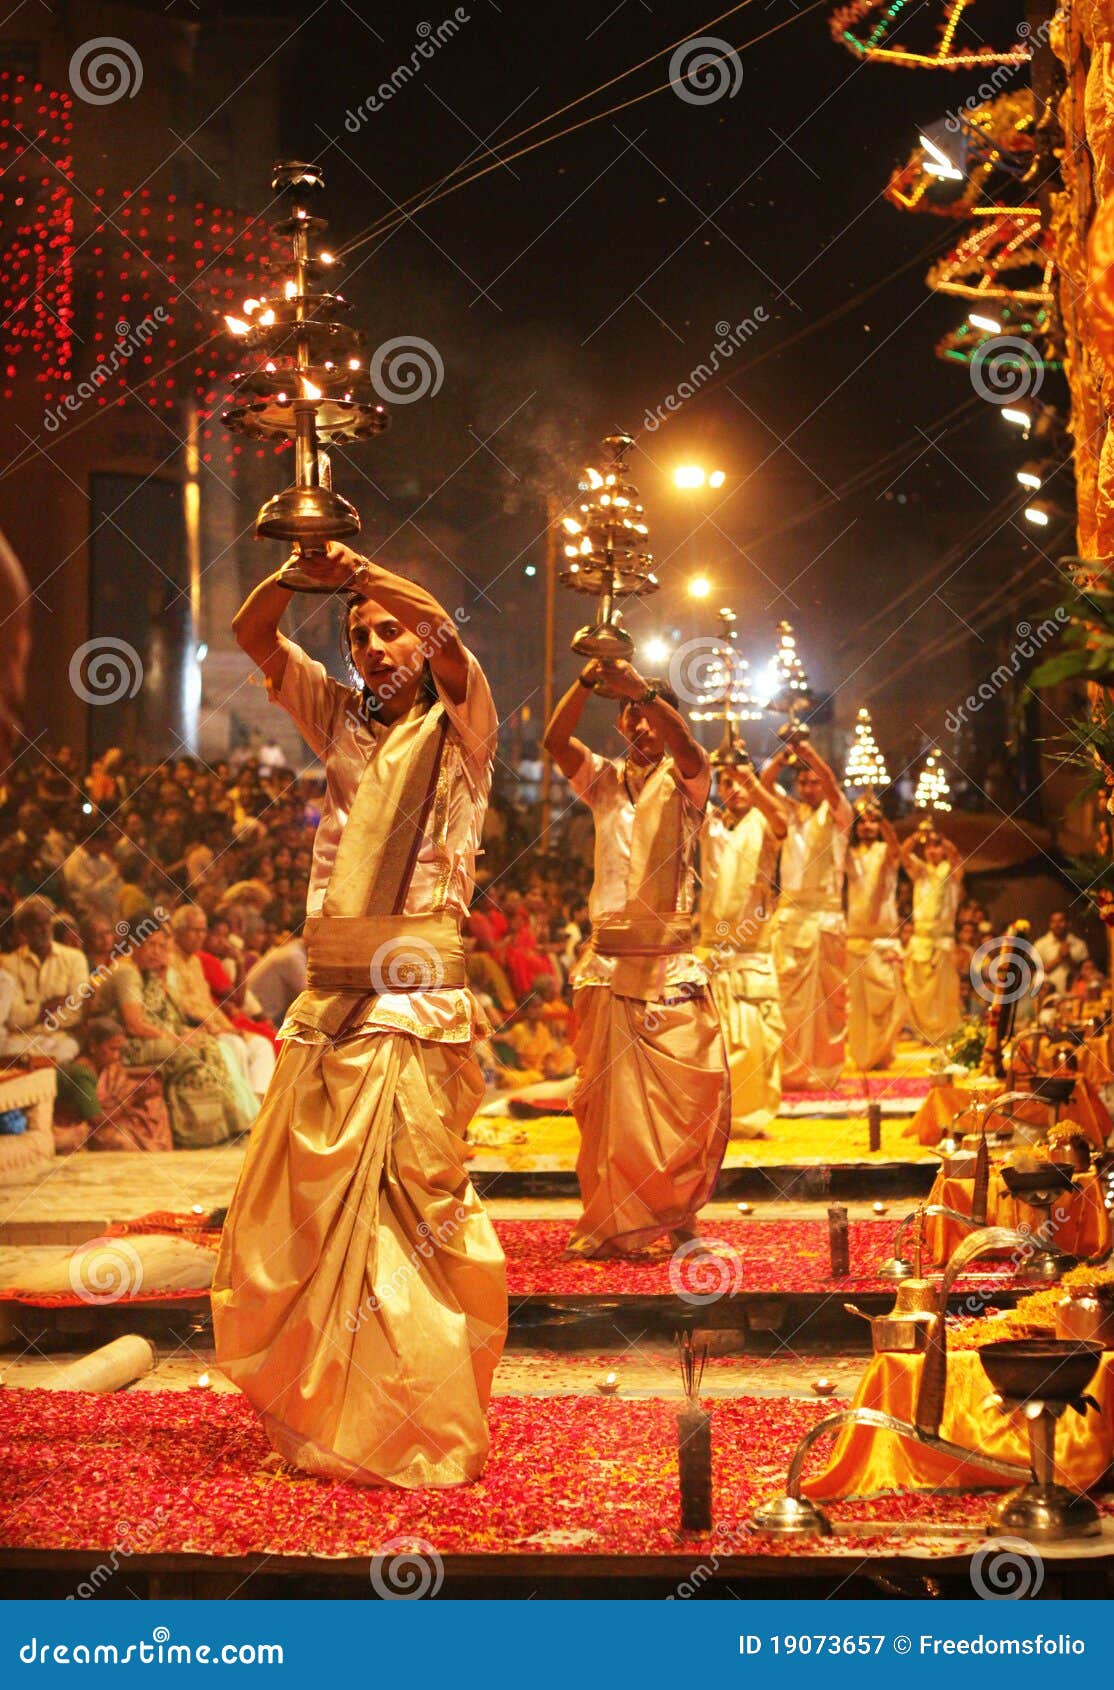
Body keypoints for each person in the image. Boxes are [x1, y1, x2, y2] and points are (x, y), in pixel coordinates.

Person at [212, 542, 507, 1489]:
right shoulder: (340, 720)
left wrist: (362, 568)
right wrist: (303, 572)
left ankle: (408, 1415)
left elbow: (451, 638)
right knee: (300, 1210)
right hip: (332, 998)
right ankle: (329, 1406)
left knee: (409, 1209)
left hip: (415, 1007)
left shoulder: (465, 723)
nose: (376, 645)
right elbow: (250, 631)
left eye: (391, 632)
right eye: (360, 636)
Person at [543, 657, 728, 1257]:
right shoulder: (600, 780)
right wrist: (587, 679)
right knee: (604, 1106)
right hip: (606, 964)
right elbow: (553, 740)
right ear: (620, 723)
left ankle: (675, 1209)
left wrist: (643, 690)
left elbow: (685, 742)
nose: (641, 725)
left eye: (648, 714)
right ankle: (608, 1216)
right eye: (630, 715)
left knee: (684, 1098)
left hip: (668, 965)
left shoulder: (690, 777)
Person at [97, 923, 255, 1146]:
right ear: (134, 944)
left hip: (145, 1039)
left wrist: (183, 1032)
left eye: (162, 946)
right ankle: (193, 1133)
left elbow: (164, 1017)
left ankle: (226, 1126)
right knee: (190, 1053)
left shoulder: (148, 974)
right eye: (151, 945)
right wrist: (176, 1039)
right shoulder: (126, 972)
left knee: (206, 1045)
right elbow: (134, 1026)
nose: (157, 952)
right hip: (126, 1045)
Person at [698, 747, 787, 1137]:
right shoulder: (711, 824)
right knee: (712, 1040)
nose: (731, 787)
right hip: (712, 952)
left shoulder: (764, 822)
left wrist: (750, 777)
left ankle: (752, 1116)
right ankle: (715, 1117)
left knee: (757, 1039)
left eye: (737, 781)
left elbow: (783, 822)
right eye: (724, 781)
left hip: (752, 952)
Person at [762, 738, 852, 1090]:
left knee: (828, 1001)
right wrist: (783, 755)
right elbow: (764, 784)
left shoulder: (837, 813)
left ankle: (824, 1071)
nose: (810, 788)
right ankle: (790, 1069)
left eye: (814, 781)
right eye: (803, 782)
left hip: (825, 921)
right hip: (789, 920)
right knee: (787, 999)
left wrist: (808, 750)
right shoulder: (789, 813)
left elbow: (831, 784)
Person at [845, 803, 906, 1071]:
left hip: (883, 939)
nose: (867, 826)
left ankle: (882, 1053)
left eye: (872, 822)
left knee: (888, 999)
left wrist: (884, 821)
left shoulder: (886, 852)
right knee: (859, 1006)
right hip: (856, 938)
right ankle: (864, 1056)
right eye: (862, 822)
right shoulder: (849, 854)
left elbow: (895, 848)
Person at [0, 896, 88, 1062]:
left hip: (62, 1037)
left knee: (59, 1058)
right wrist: (52, 1004)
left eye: (47, 923)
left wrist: (32, 1012)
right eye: (36, 925)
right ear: (23, 930)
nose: (44, 929)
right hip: (20, 1040)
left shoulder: (75, 958)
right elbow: (13, 1018)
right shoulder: (10, 963)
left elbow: (75, 1012)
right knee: (11, 1057)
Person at [901, 825, 964, 1045]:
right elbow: (902, 855)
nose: (932, 851)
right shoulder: (920, 871)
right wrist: (917, 836)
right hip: (920, 940)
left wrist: (941, 837)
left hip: (943, 941)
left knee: (944, 993)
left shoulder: (952, 871)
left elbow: (956, 856)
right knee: (918, 992)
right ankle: (924, 1034)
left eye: (936, 847)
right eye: (928, 847)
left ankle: (945, 1036)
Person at [1034, 910, 1089, 997]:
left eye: (1061, 921)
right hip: (1048, 997)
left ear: (1068, 924)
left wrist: (1068, 958)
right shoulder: (1040, 944)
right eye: (1053, 922)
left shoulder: (1079, 944)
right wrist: (1059, 958)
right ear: (1049, 924)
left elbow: (1085, 971)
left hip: (1074, 994)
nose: (1057, 925)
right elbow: (1035, 972)